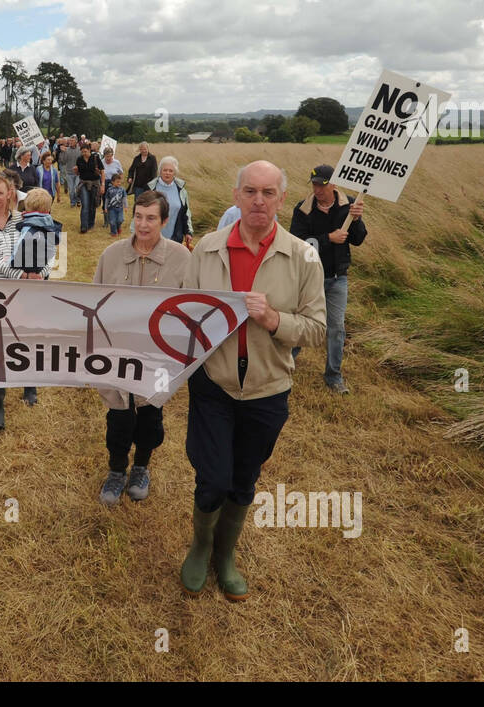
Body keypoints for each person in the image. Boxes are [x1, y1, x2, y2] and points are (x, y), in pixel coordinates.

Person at [179, 161, 326, 599]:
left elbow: (317, 329)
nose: (258, 200)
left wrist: (274, 318)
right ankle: (201, 546)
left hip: (267, 389)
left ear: (282, 199)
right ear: (236, 195)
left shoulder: (303, 256)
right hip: (213, 385)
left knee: (243, 479)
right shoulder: (206, 248)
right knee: (213, 478)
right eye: (250, 191)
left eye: (268, 193)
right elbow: (185, 314)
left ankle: (226, 556)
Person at [94, 190, 192, 505]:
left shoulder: (182, 259)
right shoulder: (111, 254)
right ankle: (117, 469)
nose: (143, 224)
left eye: (151, 218)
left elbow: (190, 309)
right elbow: (94, 301)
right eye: (138, 216)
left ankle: (141, 467)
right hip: (117, 354)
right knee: (119, 416)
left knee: (150, 416)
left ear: (164, 221)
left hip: (158, 357)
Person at [0, 172, 51, 430]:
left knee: (25, 338)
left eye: (0, 193)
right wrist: (21, 273)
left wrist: (42, 273)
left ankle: (29, 383)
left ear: (10, 195)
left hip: (27, 292)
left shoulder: (25, 219)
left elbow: (47, 249)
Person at [288, 164, 366, 394]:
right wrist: (327, 239)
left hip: (337, 278)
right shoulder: (303, 209)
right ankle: (285, 366)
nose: (317, 189)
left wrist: (357, 220)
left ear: (334, 184)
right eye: (314, 184)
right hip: (310, 277)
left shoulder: (349, 206)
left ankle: (334, 377)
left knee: (336, 328)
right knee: (302, 323)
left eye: (322, 184)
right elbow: (298, 246)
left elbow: (358, 240)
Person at [11, 187, 61, 277]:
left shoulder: (28, 228)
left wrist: (10, 261)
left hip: (26, 269)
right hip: (42, 267)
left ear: (27, 206)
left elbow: (18, 248)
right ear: (48, 208)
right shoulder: (49, 224)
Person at [147, 156, 192, 246]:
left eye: (170, 171)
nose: (167, 173)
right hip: (153, 236)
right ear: (160, 171)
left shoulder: (181, 190)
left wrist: (188, 232)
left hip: (175, 237)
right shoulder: (151, 188)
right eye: (165, 170)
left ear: (175, 173)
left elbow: (185, 213)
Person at [75, 140, 104, 233]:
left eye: (85, 151)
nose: (84, 153)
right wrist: (75, 170)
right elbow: (78, 173)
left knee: (93, 205)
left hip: (95, 184)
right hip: (83, 183)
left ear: (89, 150)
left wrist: (103, 185)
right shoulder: (79, 159)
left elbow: (102, 172)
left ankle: (91, 223)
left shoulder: (96, 158)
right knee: (85, 204)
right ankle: (84, 226)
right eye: (82, 152)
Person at [127, 142, 158, 214]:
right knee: (138, 203)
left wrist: (153, 185)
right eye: (142, 149)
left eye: (145, 149)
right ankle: (136, 217)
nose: (144, 151)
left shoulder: (152, 158)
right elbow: (131, 170)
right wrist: (130, 177)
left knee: (148, 203)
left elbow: (154, 172)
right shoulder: (136, 158)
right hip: (138, 185)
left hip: (148, 186)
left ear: (148, 148)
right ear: (139, 150)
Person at [57, 135, 81, 206]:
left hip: (78, 173)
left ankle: (78, 200)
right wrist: (62, 152)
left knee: (77, 188)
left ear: (76, 141)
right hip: (69, 173)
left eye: (72, 140)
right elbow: (63, 161)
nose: (70, 142)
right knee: (71, 190)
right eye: (70, 140)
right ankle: (72, 202)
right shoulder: (66, 150)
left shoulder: (80, 150)